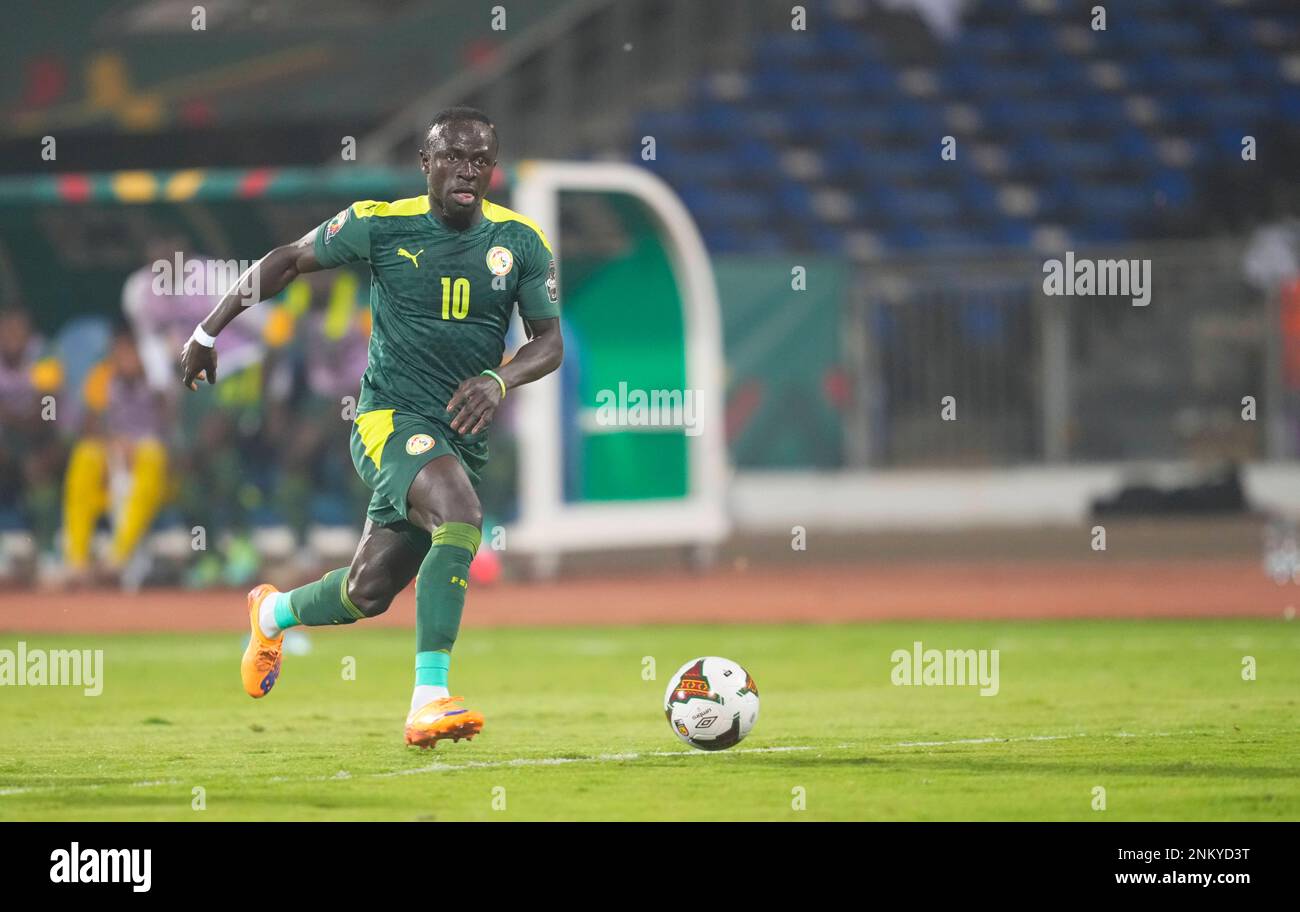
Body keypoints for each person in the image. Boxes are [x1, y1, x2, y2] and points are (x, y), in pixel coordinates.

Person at [180, 106, 563, 748]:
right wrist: (206, 329)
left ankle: (271, 614)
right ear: (426, 164)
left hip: (460, 436)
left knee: (367, 592)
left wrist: (501, 379)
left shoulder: (520, 241)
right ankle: (429, 699)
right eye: (453, 157)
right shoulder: (380, 225)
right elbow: (287, 260)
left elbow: (547, 344)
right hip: (388, 420)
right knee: (462, 513)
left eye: (480, 160)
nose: (467, 170)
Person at [62, 325, 168, 588]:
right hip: (112, 456)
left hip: (150, 462)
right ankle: (77, 561)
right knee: (86, 454)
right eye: (118, 354)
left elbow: (169, 429)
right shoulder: (102, 378)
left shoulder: (157, 380)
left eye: (129, 353)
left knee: (152, 453)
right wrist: (114, 442)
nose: (124, 360)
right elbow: (88, 425)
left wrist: (135, 444)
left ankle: (117, 558)